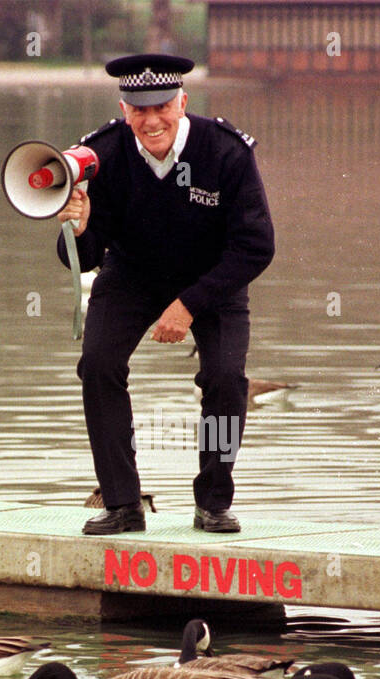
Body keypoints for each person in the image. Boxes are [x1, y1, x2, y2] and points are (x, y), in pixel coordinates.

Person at [55, 54, 275, 535]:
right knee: (97, 364)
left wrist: (188, 304)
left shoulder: (226, 152)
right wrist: (79, 223)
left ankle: (213, 503)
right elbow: (81, 255)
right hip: (131, 273)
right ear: (124, 108)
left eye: (162, 107)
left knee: (225, 376)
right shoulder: (102, 153)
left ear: (183, 102)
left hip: (214, 278)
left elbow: (256, 247)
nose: (151, 120)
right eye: (139, 110)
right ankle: (122, 504)